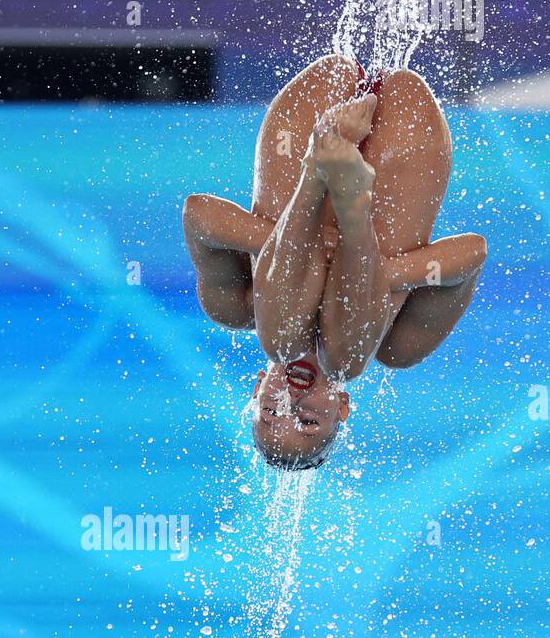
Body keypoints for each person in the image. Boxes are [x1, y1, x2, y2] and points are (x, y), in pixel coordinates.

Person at [182, 54, 487, 469]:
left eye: (271, 412)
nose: (291, 400)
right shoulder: (400, 348)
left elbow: (198, 215)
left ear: (256, 387)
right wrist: (376, 274)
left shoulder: (232, 308)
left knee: (284, 343)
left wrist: (310, 245)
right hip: (400, 156)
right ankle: (352, 204)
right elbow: (472, 254)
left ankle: (318, 170)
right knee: (343, 361)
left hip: (308, 132)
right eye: (306, 420)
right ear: (341, 409)